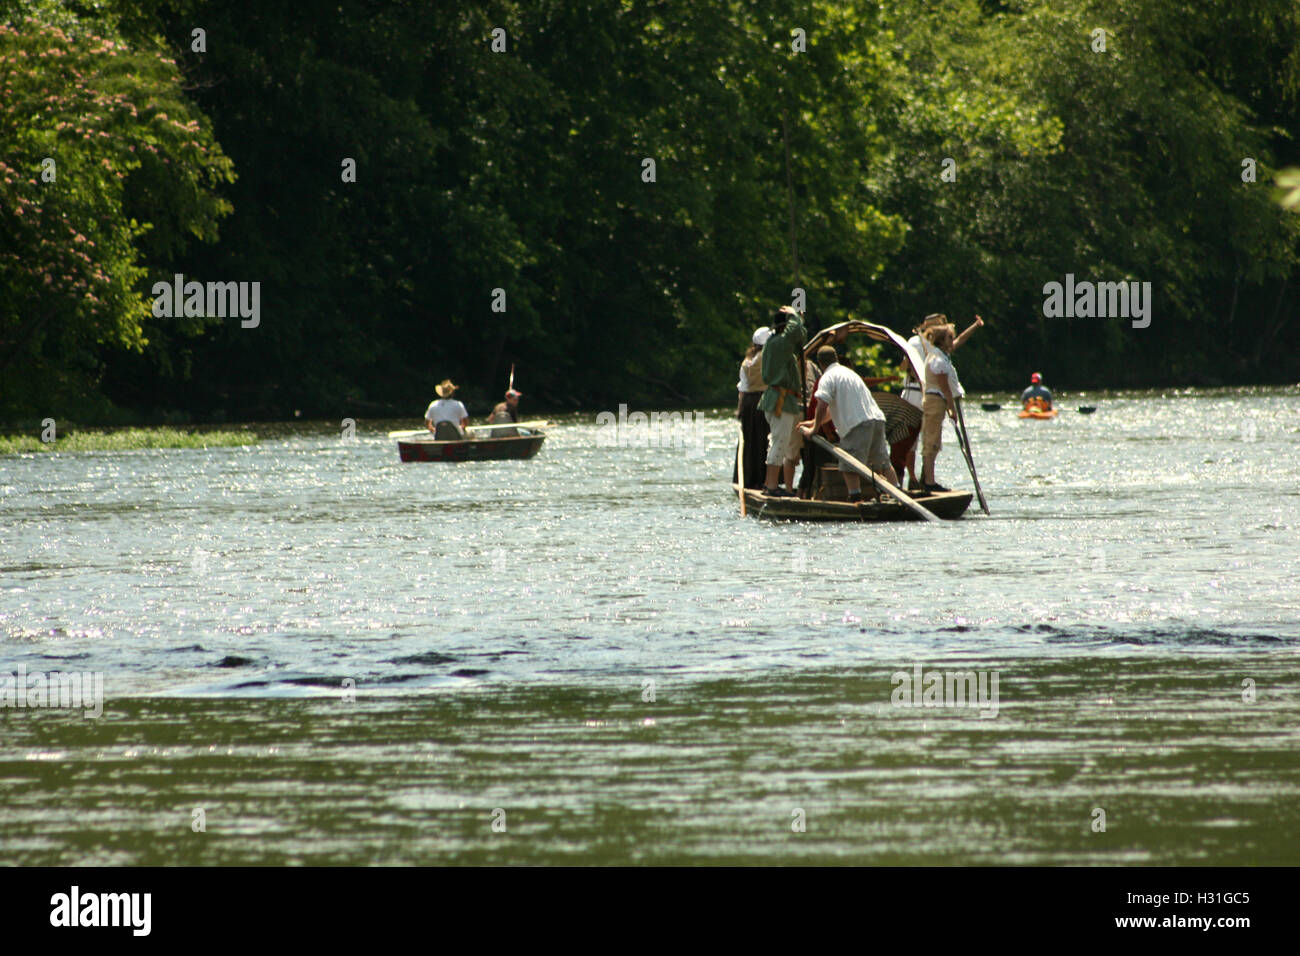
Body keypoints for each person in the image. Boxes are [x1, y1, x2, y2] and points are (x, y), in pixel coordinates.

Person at [798, 346, 901, 502]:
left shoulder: (828, 377)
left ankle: (855, 498)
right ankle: (899, 494)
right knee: (883, 463)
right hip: (876, 420)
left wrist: (814, 429)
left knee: (848, 465)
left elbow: (822, 404)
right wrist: (814, 422)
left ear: (820, 363)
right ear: (836, 359)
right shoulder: (850, 374)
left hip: (858, 424)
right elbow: (833, 410)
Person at [899, 313, 983, 489]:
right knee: (917, 439)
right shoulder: (918, 343)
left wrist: (975, 326)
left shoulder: (940, 350)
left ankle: (924, 478)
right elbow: (905, 366)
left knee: (931, 439)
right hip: (919, 393)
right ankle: (916, 479)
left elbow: (958, 341)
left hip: (930, 393)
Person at [757, 305, 806, 496]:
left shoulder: (777, 343)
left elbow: (800, 336)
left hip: (779, 399)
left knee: (777, 443)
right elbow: (795, 332)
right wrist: (795, 316)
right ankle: (771, 486)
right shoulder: (779, 344)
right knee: (779, 444)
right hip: (780, 401)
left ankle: (770, 484)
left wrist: (798, 320)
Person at [919, 324, 963, 493]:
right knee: (931, 441)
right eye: (950, 338)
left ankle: (929, 478)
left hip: (937, 401)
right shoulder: (937, 360)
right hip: (935, 401)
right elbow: (945, 388)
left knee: (934, 442)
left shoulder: (941, 356)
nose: (952, 341)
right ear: (941, 341)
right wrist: (952, 411)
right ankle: (928, 481)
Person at [733, 327, 771, 489]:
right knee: (764, 441)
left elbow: (742, 389)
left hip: (749, 402)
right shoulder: (768, 358)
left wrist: (740, 410)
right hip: (764, 401)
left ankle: (749, 479)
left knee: (750, 442)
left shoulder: (747, 361)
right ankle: (765, 480)